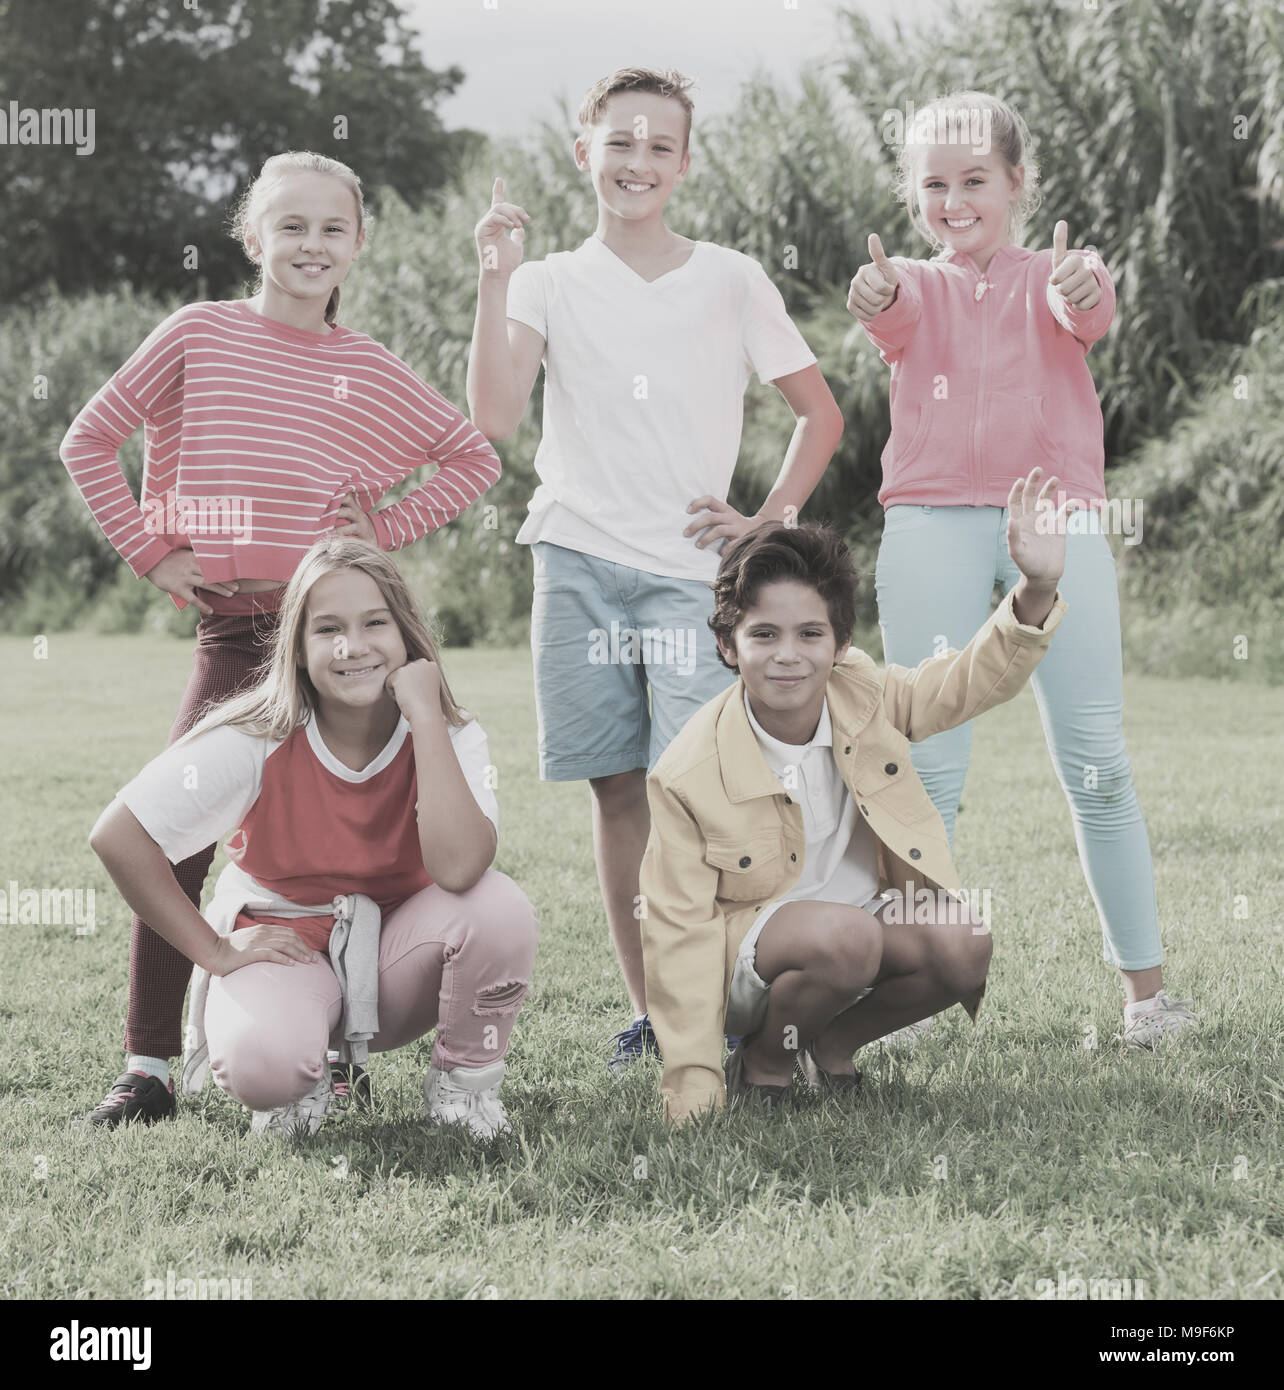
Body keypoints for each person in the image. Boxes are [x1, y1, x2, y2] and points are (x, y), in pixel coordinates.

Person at [60, 151, 501, 1126]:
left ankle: (340, 1048)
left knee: (357, 843)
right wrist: (149, 550)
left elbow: (472, 457)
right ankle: (150, 1067)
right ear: (253, 239)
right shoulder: (197, 334)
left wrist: (368, 542)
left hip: (336, 639)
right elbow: (88, 439)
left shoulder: (364, 366)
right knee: (178, 835)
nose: (311, 244)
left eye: (331, 228)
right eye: (289, 226)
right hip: (234, 630)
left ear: (357, 245)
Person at [466, 67, 844, 1071]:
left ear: (684, 163)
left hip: (689, 577)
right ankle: (655, 1013)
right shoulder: (545, 280)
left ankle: (743, 1004)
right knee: (618, 794)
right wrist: (494, 275)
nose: (637, 161)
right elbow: (495, 419)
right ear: (582, 153)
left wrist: (767, 522)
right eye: (618, 143)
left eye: (657, 146)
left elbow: (822, 413)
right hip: (577, 561)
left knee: (711, 799)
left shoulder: (729, 276)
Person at [846, 90, 1194, 1049]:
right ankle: (911, 1002)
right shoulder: (911, 284)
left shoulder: (1061, 273)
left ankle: (1148, 999)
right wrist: (874, 298)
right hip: (929, 525)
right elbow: (890, 311)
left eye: (974, 182)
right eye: (934, 186)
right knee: (929, 770)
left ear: (1016, 182)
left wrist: (1080, 289)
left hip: (1059, 520)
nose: (954, 202)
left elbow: (1082, 307)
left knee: (1097, 764)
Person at [639, 472, 1072, 1125]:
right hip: (746, 965)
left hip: (856, 927)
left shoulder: (862, 692)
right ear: (729, 645)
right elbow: (676, 936)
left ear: (840, 645)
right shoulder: (686, 772)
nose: (789, 656)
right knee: (847, 936)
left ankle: (829, 1047)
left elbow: (962, 685)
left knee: (963, 942)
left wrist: (1035, 588)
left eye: (810, 634)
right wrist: (691, 1097)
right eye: (764, 635)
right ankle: (763, 1063)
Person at [88, 537, 538, 1141]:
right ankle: (301, 1077)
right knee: (265, 1065)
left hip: (393, 960)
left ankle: (463, 1090)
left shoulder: (448, 732)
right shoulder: (257, 732)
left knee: (499, 907)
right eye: (327, 629)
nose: (352, 647)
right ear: (297, 649)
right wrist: (217, 953)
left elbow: (459, 870)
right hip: (285, 949)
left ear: (406, 634)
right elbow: (119, 836)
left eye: (375, 622)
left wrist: (427, 719)